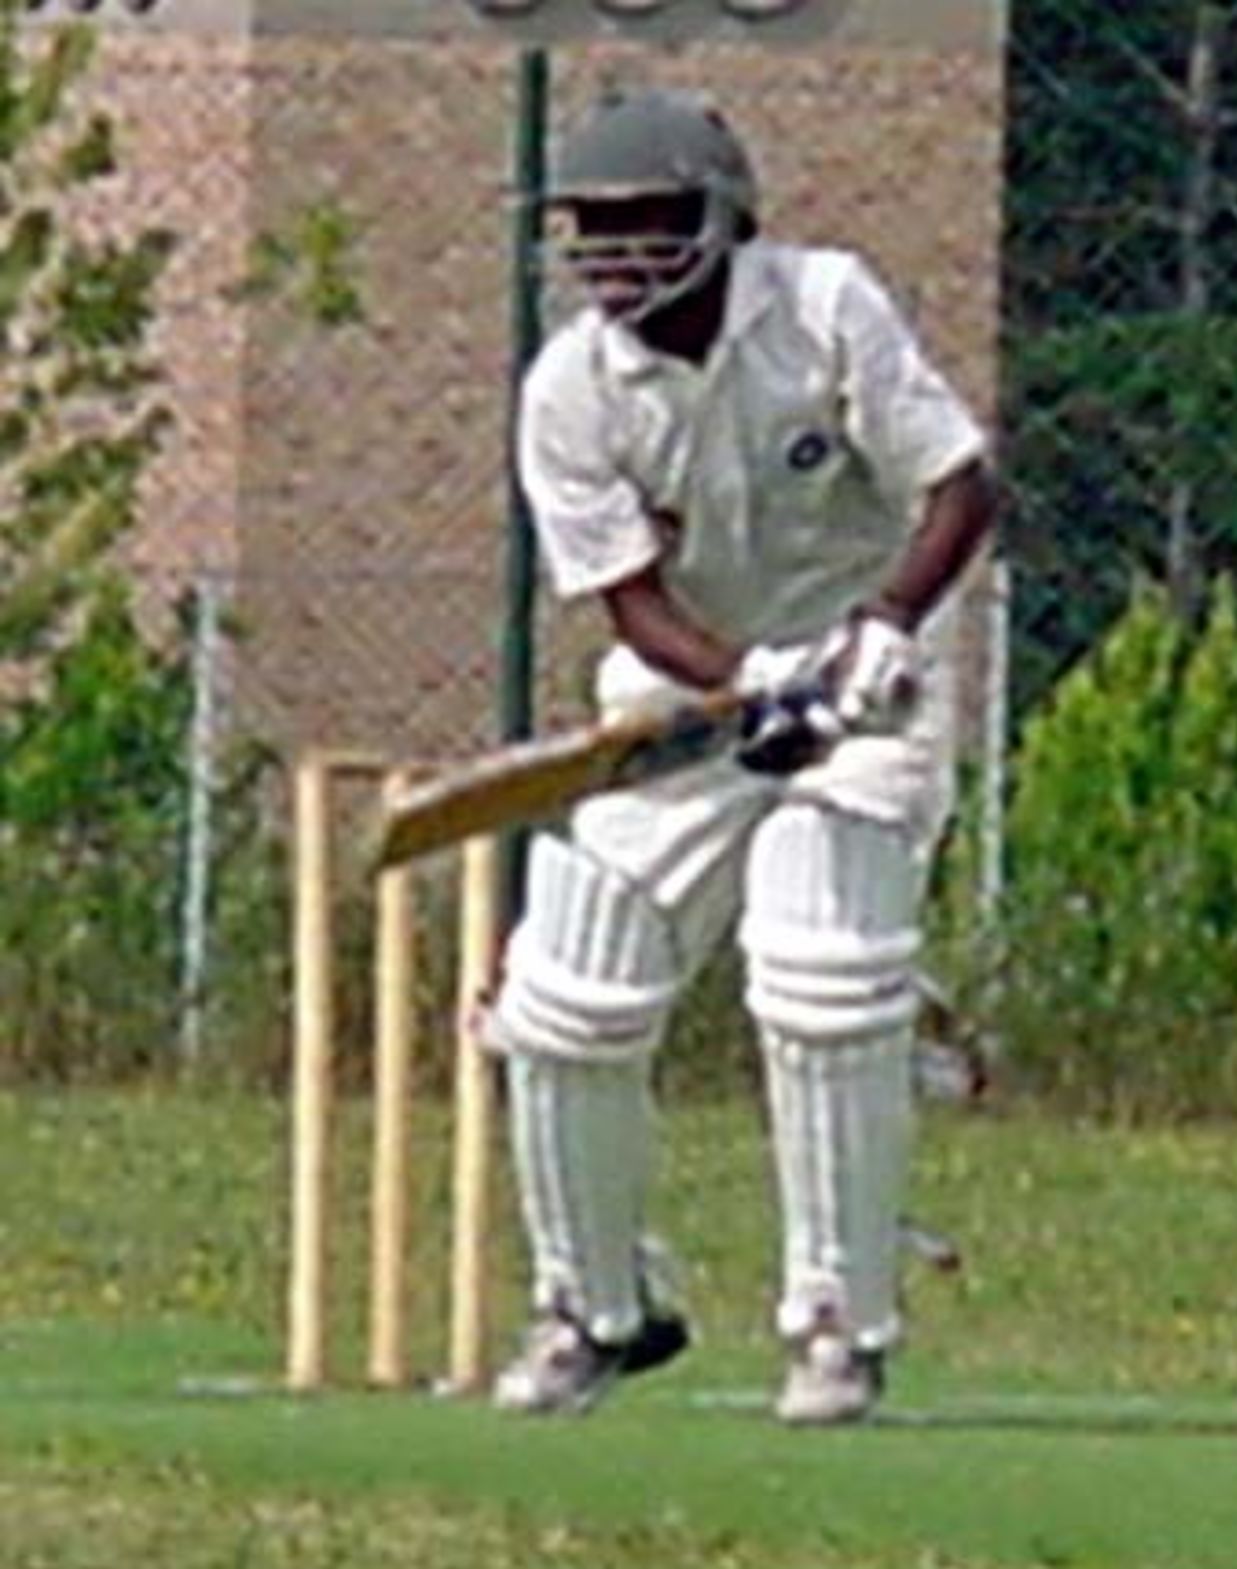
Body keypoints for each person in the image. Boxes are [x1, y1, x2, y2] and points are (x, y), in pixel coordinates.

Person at [484, 86, 997, 1424]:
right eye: (593, 231)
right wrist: (744, 678)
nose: (617, 256)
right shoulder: (569, 388)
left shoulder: (825, 307)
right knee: (560, 1000)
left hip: (864, 683)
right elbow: (633, 599)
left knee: (821, 976)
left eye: (647, 224)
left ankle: (839, 1323)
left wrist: (880, 628)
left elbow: (959, 484)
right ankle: (596, 1305)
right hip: (687, 691)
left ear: (720, 221)